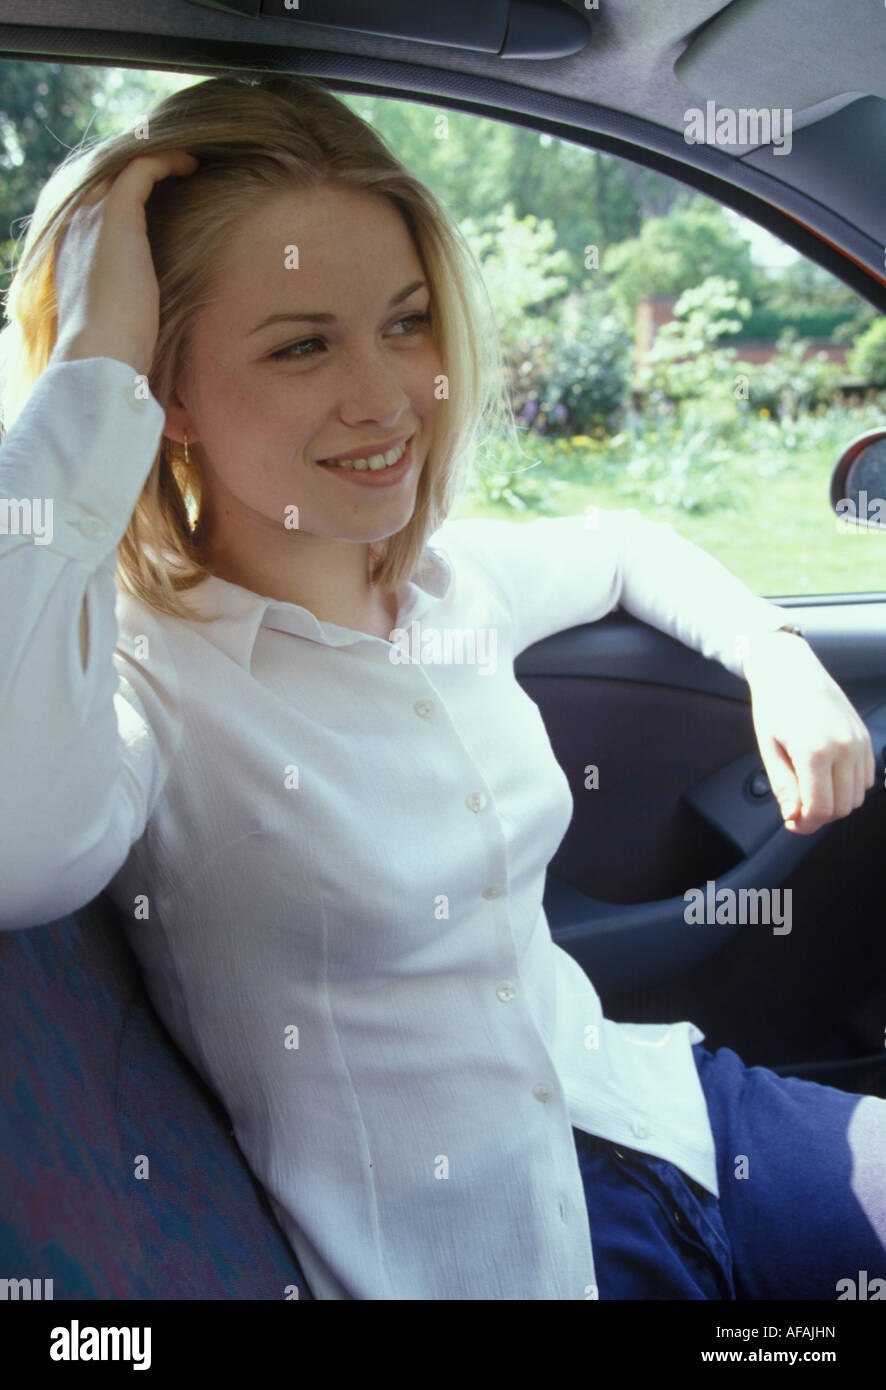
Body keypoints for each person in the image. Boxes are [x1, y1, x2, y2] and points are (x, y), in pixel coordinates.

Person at [0, 72, 883, 1301]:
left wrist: (777, 657)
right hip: (490, 1258)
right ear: (170, 391)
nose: (388, 395)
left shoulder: (451, 584)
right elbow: (14, 848)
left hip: (665, 1115)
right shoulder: (146, 678)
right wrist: (90, 368)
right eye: (302, 343)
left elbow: (628, 543)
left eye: (405, 322)